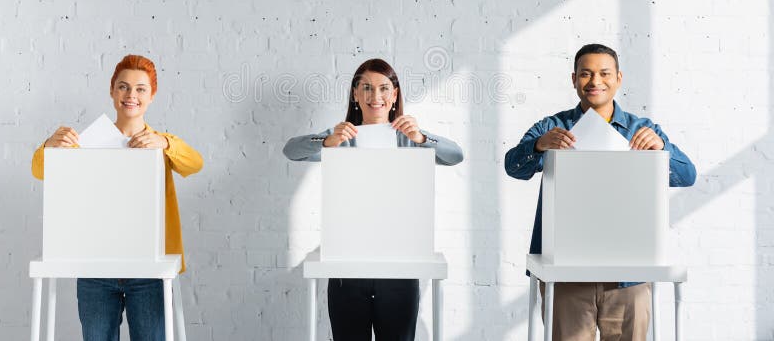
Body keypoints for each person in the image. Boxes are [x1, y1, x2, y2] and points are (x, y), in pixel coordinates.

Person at [504, 43, 696, 341]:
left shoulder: (640, 129)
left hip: (627, 276)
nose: (595, 81)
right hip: (566, 272)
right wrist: (538, 145)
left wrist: (662, 149)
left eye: (604, 73)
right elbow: (513, 167)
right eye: (586, 74)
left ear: (619, 78)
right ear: (574, 79)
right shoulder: (552, 127)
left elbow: (687, 175)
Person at [283, 58, 464, 341]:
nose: (375, 96)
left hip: (399, 269)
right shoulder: (341, 137)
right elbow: (292, 151)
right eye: (366, 88)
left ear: (394, 95)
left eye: (383, 88)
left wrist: (422, 138)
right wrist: (325, 142)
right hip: (348, 268)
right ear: (355, 94)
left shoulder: (409, 138)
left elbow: (455, 155)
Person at [31, 54, 203, 341]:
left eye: (140, 89)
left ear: (152, 95)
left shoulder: (160, 143)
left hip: (148, 269)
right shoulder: (87, 143)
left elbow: (195, 163)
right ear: (112, 91)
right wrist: (49, 145)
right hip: (95, 267)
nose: (131, 95)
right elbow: (39, 170)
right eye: (123, 87)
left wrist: (166, 143)